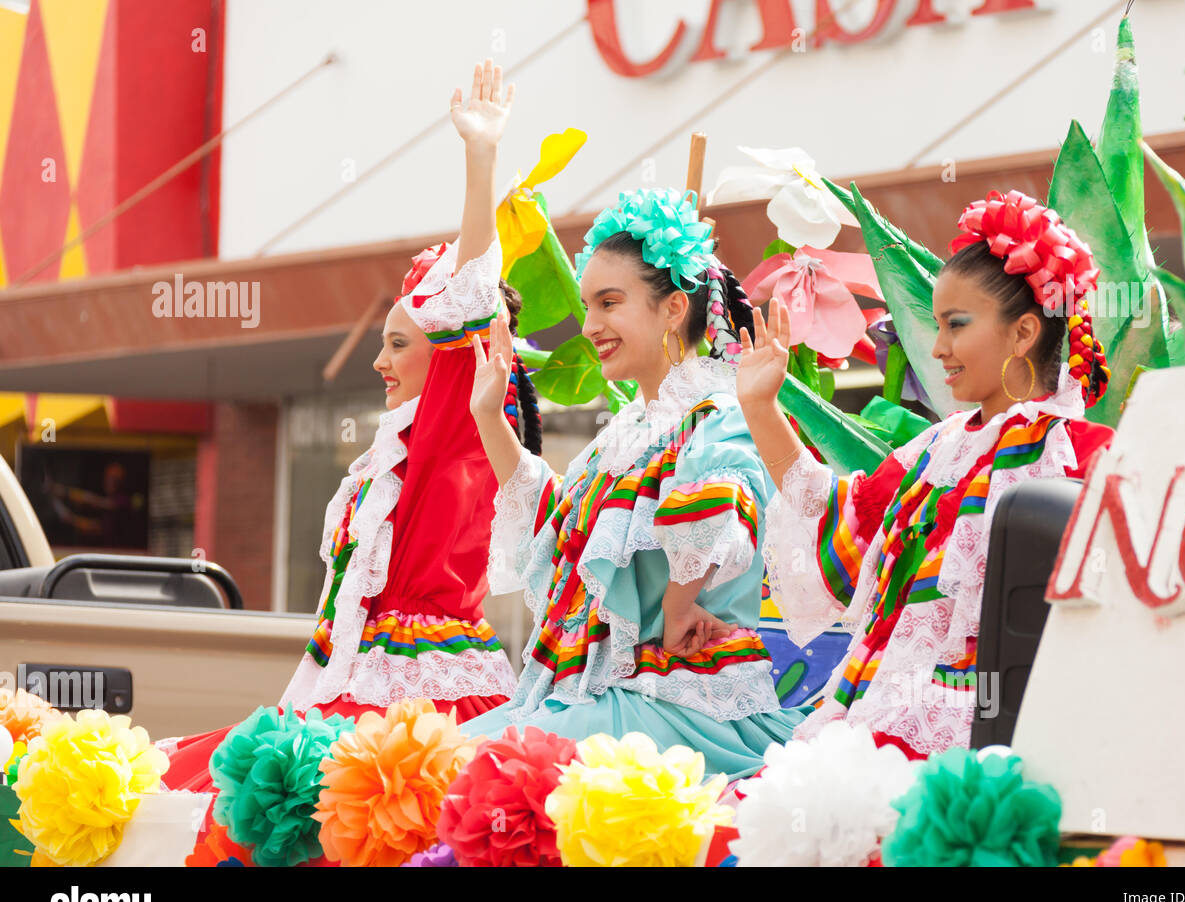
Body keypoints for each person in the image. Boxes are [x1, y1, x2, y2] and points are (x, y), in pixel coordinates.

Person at [161, 59, 533, 793]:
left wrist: (480, 158)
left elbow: (467, 294)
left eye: (399, 344)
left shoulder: (460, 429)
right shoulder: (385, 459)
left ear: (455, 357)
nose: (379, 362)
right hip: (346, 691)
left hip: (421, 710)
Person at [737, 189, 1115, 759]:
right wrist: (761, 409)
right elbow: (828, 515)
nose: (937, 348)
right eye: (936, 326)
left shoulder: (1088, 456)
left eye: (956, 325)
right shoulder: (934, 451)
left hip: (1003, 745)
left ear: (1024, 332)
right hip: (874, 724)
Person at [459, 187, 809, 780]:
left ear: (674, 308)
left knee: (478, 771)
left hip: (675, 703)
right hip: (599, 699)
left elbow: (716, 508)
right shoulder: (625, 433)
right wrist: (488, 418)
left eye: (610, 303)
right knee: (442, 763)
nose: (590, 325)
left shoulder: (721, 412)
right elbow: (554, 521)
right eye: (589, 305)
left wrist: (678, 609)